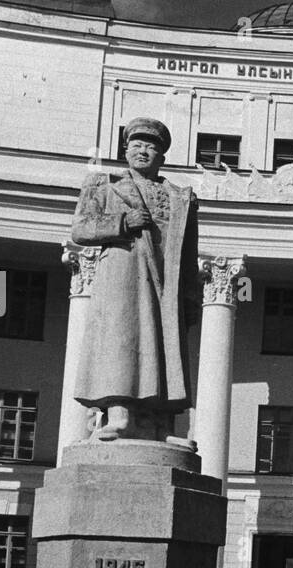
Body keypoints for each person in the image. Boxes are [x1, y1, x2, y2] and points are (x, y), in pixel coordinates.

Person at [70, 116, 202, 441]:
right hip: (124, 272)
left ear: (162, 157)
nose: (143, 151)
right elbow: (81, 228)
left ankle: (160, 427)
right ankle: (119, 415)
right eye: (137, 145)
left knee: (163, 347)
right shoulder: (105, 184)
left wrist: (190, 297)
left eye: (150, 146)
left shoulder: (180, 197)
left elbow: (189, 252)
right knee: (121, 340)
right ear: (126, 150)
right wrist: (122, 223)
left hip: (166, 283)